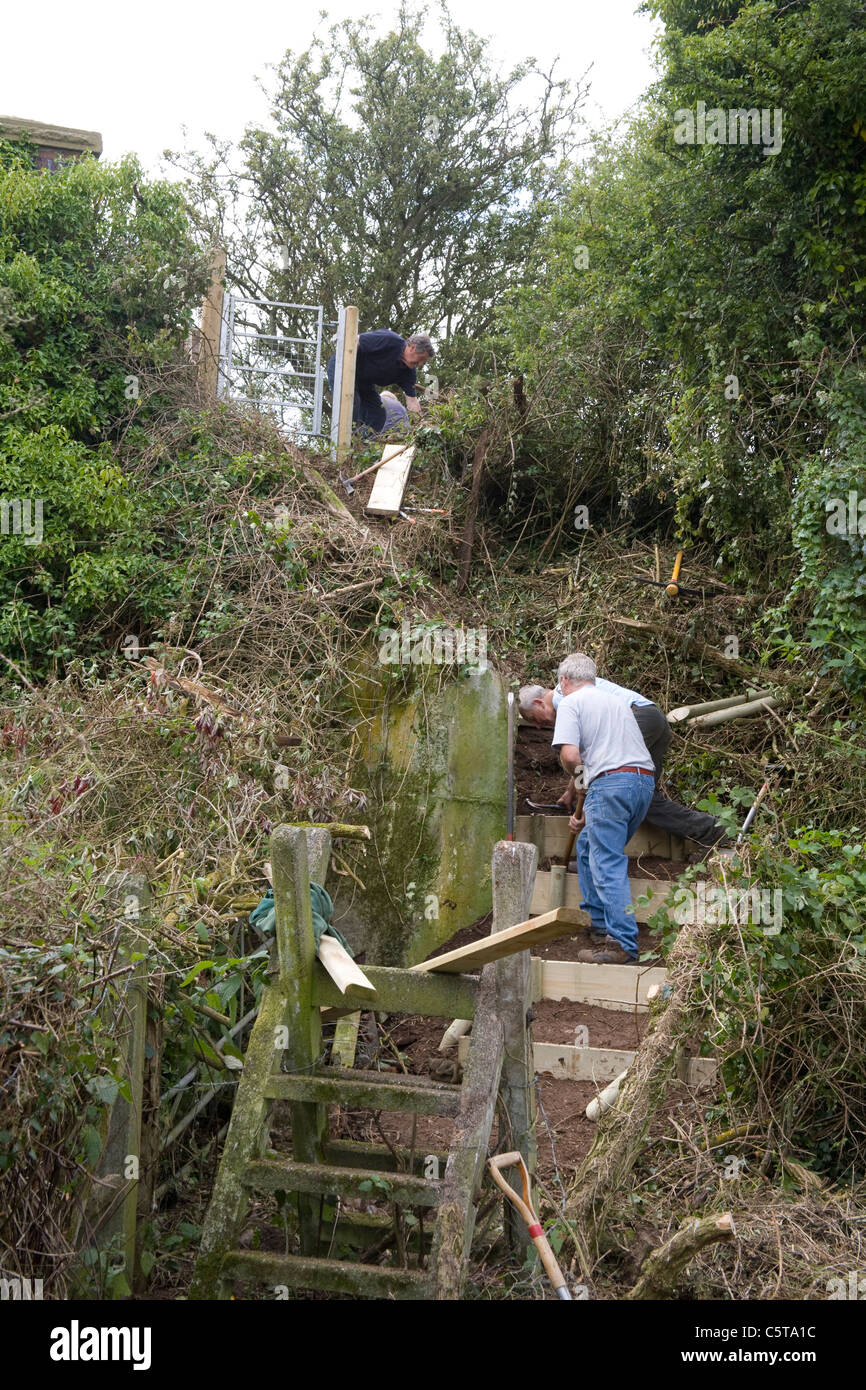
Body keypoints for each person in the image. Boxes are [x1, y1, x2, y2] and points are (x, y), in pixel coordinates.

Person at [518, 677, 728, 847]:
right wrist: (570, 792)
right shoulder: (571, 688)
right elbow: (584, 756)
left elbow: (584, 759)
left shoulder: (566, 700)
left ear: (538, 703)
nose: (537, 727)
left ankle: (596, 853)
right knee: (645, 799)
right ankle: (715, 832)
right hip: (653, 718)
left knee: (607, 781)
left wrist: (579, 794)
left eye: (533, 719)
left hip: (637, 718)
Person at [551, 654, 656, 964]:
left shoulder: (570, 703)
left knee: (607, 863)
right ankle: (598, 924)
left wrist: (582, 783)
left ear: (564, 682)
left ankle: (623, 944)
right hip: (642, 783)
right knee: (588, 846)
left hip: (610, 785)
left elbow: (570, 756)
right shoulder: (617, 702)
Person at [326, 329, 434, 436]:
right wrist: (347, 371)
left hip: (364, 381)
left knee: (377, 414)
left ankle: (364, 447)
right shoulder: (389, 340)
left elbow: (412, 401)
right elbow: (355, 341)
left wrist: (422, 425)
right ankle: (347, 444)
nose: (420, 364)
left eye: (423, 362)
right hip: (343, 367)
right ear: (412, 347)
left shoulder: (408, 373)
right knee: (351, 402)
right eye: (421, 359)